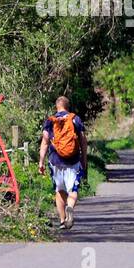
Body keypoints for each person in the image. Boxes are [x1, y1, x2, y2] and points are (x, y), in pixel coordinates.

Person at [39, 96, 87, 230]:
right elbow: (83, 141)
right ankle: (70, 207)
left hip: (55, 161)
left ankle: (62, 221)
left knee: (59, 191)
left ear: (57, 107)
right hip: (73, 160)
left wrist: (41, 162)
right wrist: (84, 159)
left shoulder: (50, 121)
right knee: (73, 190)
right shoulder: (75, 119)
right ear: (68, 106)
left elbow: (45, 142)